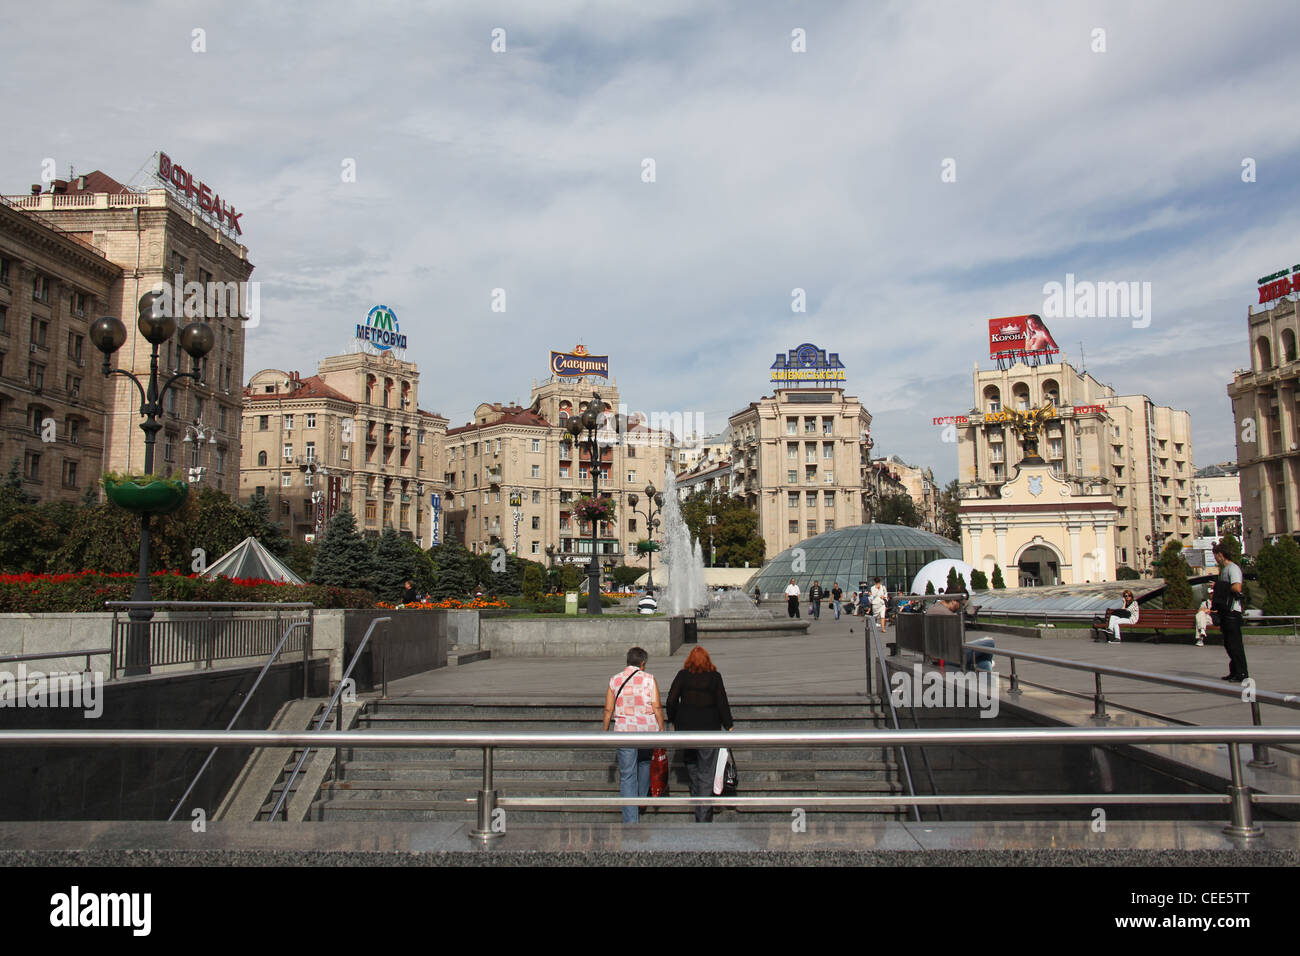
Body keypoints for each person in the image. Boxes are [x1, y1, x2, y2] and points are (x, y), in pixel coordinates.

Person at [665, 646, 734, 823]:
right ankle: (703, 815)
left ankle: (699, 800)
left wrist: (673, 718)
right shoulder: (714, 677)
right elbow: (722, 701)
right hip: (708, 730)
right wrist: (728, 724)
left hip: (686, 730)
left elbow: (671, 699)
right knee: (706, 772)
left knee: (691, 763)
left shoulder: (683, 675)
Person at [603, 647, 665, 823]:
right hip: (647, 731)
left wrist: (604, 731)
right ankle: (641, 798)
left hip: (624, 732)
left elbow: (608, 709)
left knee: (627, 775)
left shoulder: (615, 680)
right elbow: (657, 707)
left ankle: (630, 820)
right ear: (642, 663)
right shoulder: (649, 679)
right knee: (645, 762)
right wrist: (662, 728)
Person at [1212, 542, 1248, 682]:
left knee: (1235, 644)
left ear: (1220, 555)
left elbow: (1237, 587)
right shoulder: (1224, 570)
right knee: (1228, 644)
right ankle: (1234, 671)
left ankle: (1242, 673)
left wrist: (1218, 586)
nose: (1215, 559)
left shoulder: (1233, 569)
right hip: (1225, 611)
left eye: (1215, 555)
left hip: (1233, 611)